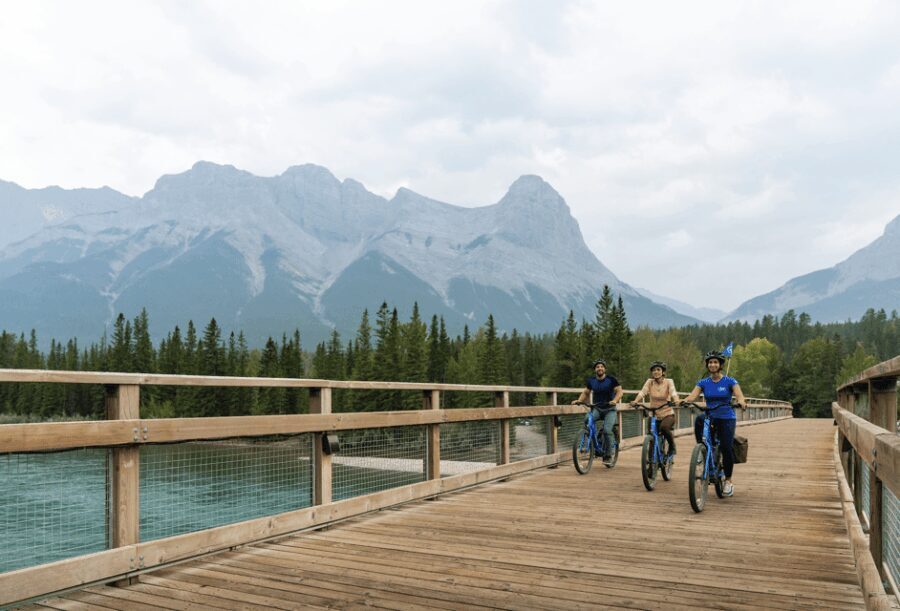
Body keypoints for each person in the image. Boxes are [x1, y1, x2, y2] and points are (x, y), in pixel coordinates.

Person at [679, 350, 747, 497]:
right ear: (707, 365)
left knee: (726, 447)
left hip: (726, 417)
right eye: (710, 362)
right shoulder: (703, 382)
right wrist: (685, 401)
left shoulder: (730, 381)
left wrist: (741, 401)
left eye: (715, 362)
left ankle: (728, 481)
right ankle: (702, 449)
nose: (712, 364)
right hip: (711, 415)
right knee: (699, 420)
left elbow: (739, 395)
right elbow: (693, 395)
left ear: (721, 365)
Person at [572, 358, 623, 464]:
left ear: (605, 369)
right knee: (587, 419)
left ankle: (608, 455)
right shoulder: (591, 381)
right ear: (595, 370)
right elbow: (586, 392)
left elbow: (619, 391)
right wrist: (579, 400)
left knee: (607, 430)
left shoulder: (611, 379)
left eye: (601, 367)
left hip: (610, 409)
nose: (599, 368)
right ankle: (595, 440)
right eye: (597, 367)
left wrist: (614, 400)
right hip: (597, 408)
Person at [630, 361, 679, 461]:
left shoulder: (669, 381)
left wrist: (676, 400)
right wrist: (635, 401)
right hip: (654, 413)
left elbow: (673, 392)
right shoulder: (650, 382)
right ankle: (651, 465)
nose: (656, 372)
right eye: (654, 370)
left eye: (658, 370)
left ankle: (672, 447)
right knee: (651, 437)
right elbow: (643, 392)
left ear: (663, 372)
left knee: (664, 428)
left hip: (667, 413)